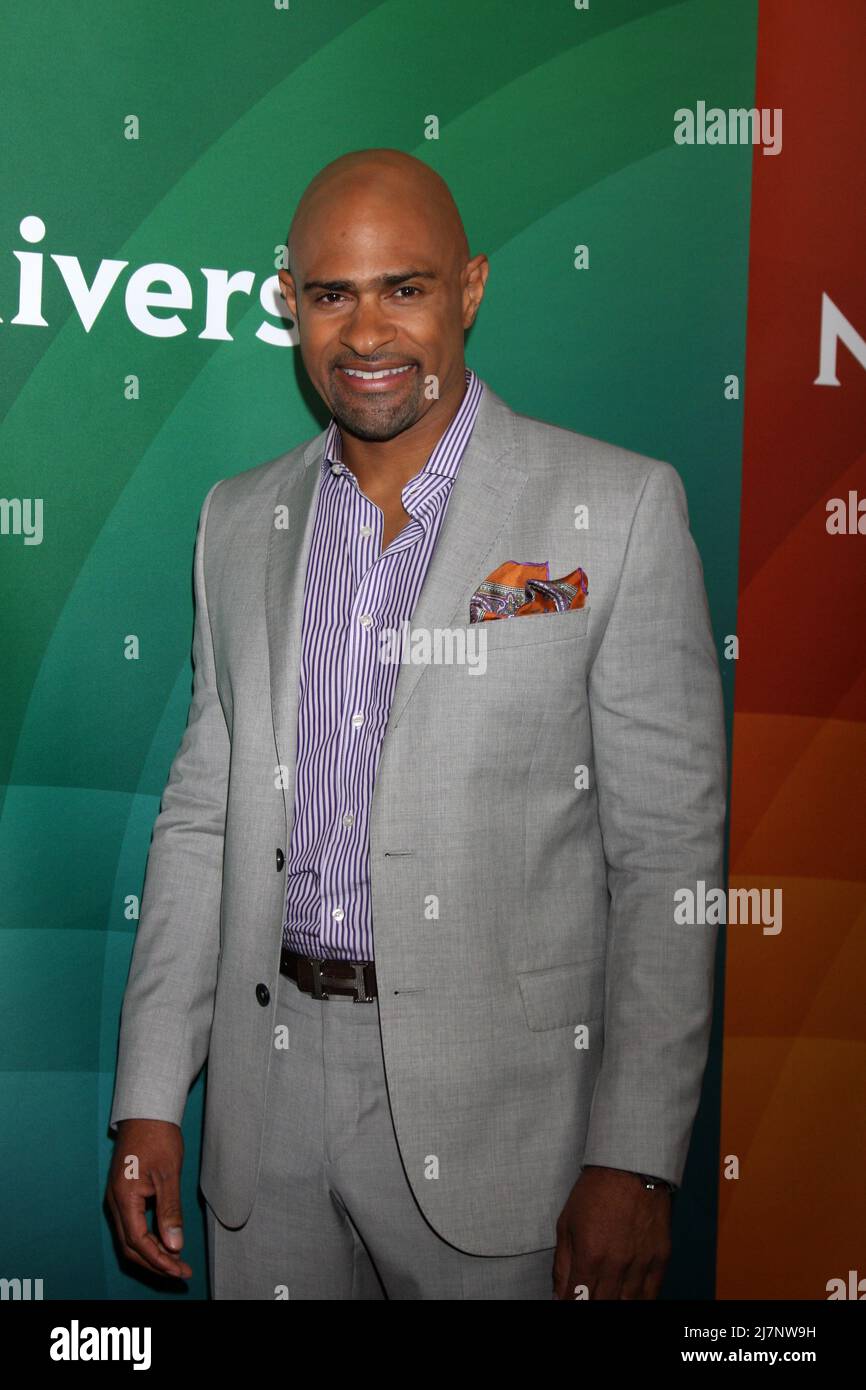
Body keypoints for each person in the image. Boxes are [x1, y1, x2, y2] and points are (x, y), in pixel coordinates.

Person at [106, 148, 727, 1300]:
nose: (366, 332)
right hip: (266, 1108)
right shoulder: (236, 519)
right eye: (331, 293)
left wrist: (634, 1161)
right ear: (290, 303)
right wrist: (150, 1095)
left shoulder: (616, 507)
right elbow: (201, 818)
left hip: (509, 1130)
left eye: (406, 287)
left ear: (471, 288)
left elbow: (665, 863)